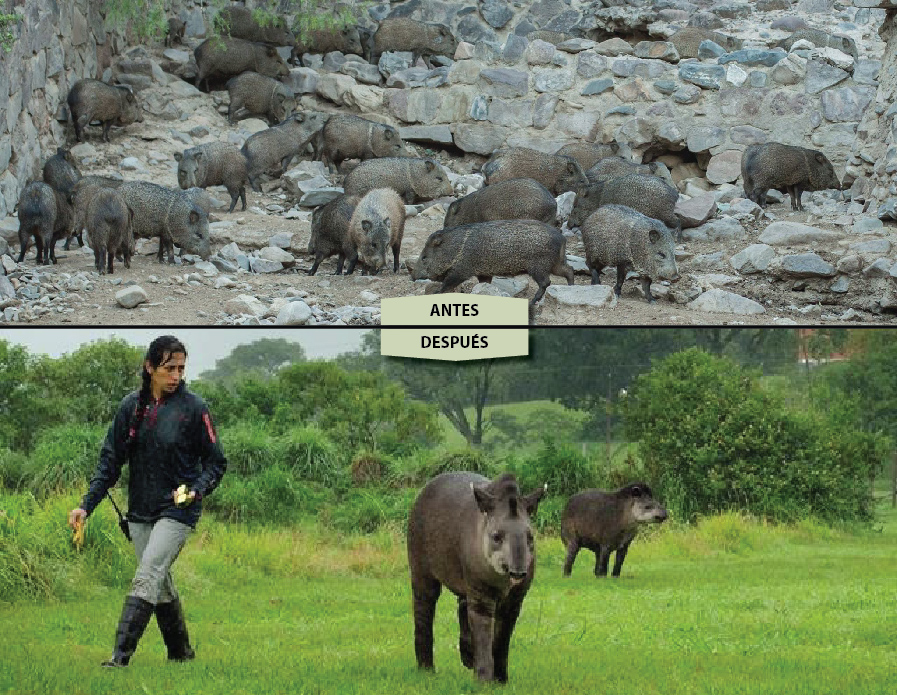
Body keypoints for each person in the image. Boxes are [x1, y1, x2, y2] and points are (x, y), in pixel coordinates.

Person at [68, 335, 227, 668]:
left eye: (181, 369)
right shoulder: (131, 407)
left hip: (178, 510)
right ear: (150, 367)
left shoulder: (194, 409)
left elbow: (216, 463)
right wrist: (86, 506)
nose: (176, 377)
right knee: (159, 581)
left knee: (147, 574)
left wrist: (195, 490)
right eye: (169, 369)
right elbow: (109, 462)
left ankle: (119, 658)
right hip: (139, 510)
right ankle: (181, 653)